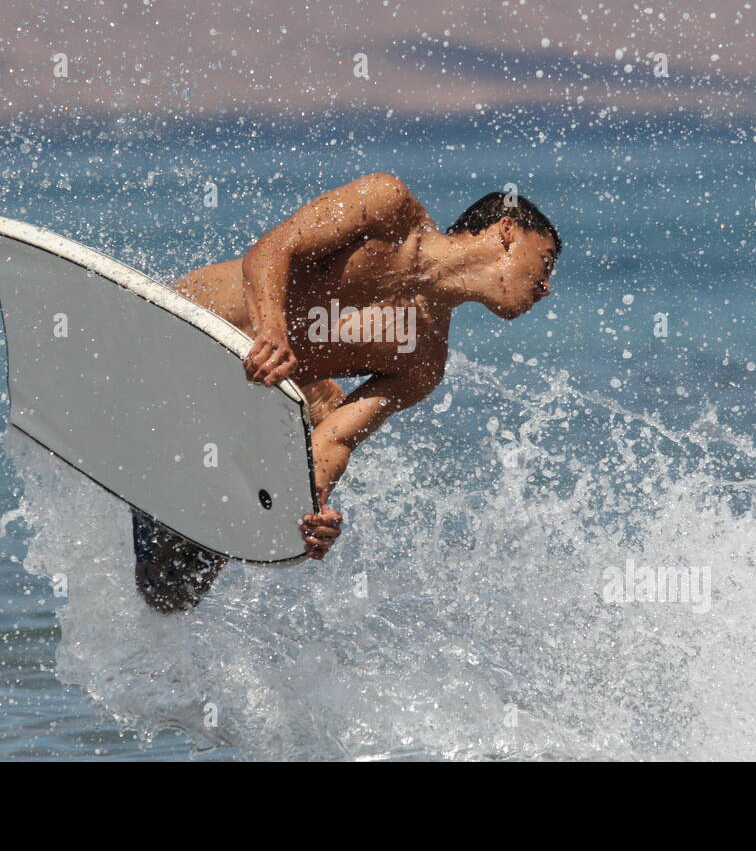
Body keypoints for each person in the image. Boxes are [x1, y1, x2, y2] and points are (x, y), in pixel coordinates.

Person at [134, 173, 560, 612]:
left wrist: (310, 507)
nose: (547, 288)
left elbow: (335, 439)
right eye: (545, 262)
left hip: (219, 416)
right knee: (319, 397)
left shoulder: (422, 361)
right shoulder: (388, 206)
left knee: (168, 595)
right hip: (169, 332)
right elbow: (272, 250)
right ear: (507, 231)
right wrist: (272, 331)